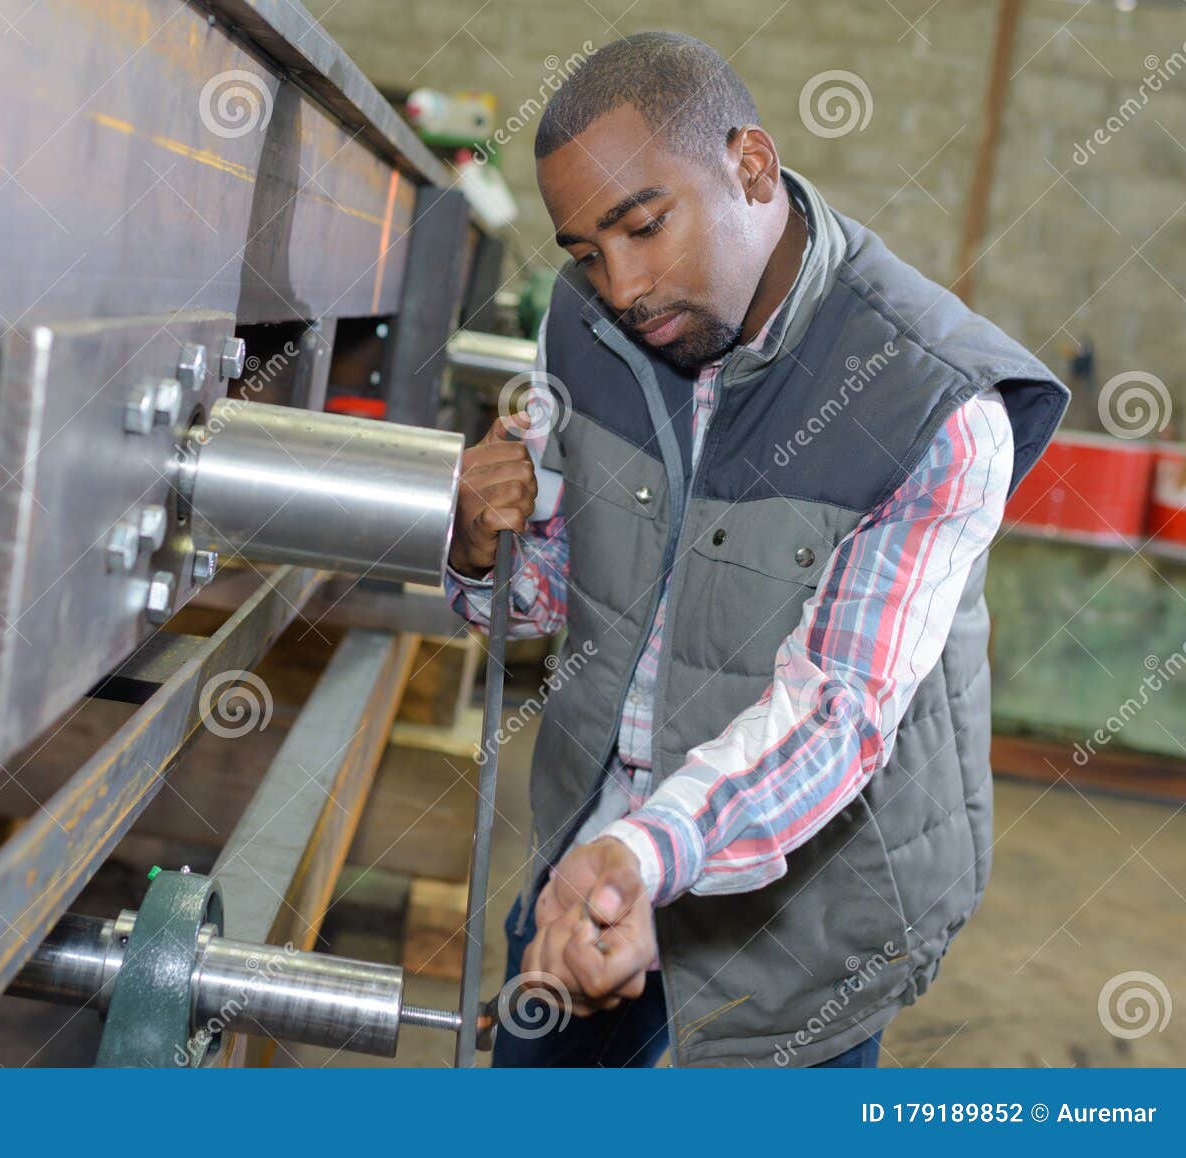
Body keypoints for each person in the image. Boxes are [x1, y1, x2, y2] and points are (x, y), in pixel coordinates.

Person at [444, 31, 1068, 1068]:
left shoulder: (934, 402)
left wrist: (643, 856)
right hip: (586, 867)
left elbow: (839, 705)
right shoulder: (586, 326)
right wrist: (476, 548)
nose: (625, 285)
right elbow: (558, 601)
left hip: (798, 935)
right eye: (587, 253)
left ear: (751, 167)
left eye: (645, 227)